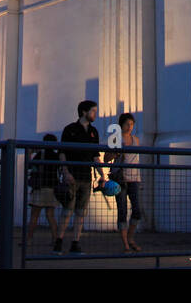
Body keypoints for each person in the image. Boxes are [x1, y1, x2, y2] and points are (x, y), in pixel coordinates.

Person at [56, 100, 103, 254]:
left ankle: (75, 242)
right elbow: (62, 152)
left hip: (86, 176)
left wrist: (102, 175)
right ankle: (59, 241)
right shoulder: (70, 130)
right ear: (84, 112)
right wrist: (66, 172)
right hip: (72, 175)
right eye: (93, 111)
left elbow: (96, 155)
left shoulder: (94, 132)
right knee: (67, 210)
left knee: (81, 211)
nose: (95, 114)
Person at [107, 111, 144, 253]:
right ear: (121, 125)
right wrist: (116, 153)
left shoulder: (136, 140)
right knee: (122, 210)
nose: (129, 127)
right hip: (120, 178)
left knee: (137, 211)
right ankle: (126, 244)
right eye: (127, 124)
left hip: (134, 178)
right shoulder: (115, 139)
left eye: (131, 124)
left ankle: (130, 237)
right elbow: (106, 158)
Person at [26, 133, 60, 247]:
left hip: (40, 187)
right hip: (52, 188)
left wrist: (31, 152)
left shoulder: (41, 154)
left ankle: (29, 240)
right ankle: (55, 239)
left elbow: (30, 166)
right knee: (50, 215)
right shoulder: (56, 156)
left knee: (34, 215)